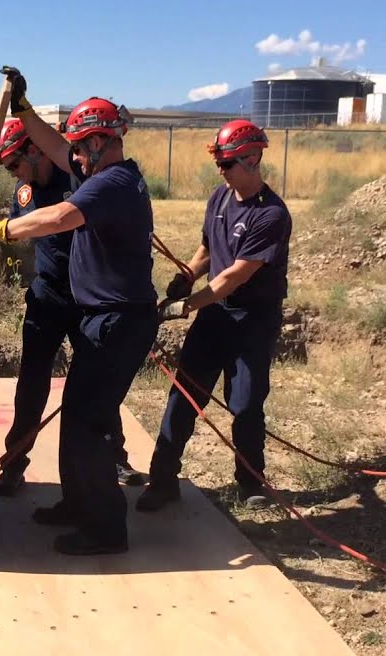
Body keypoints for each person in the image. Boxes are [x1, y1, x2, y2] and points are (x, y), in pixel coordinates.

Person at [0, 70, 157, 555]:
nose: (71, 157)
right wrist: (24, 110)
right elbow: (53, 146)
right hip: (106, 319)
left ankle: (105, 530)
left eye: (80, 148)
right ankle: (79, 506)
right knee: (79, 418)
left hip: (117, 322)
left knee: (88, 426)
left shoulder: (111, 183)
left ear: (100, 142)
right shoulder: (104, 172)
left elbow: (57, 217)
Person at [134, 119, 292, 513]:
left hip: (252, 321)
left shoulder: (271, 215)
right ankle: (163, 479)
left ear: (253, 159)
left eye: (228, 163)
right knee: (183, 396)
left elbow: (234, 276)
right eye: (219, 163)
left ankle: (251, 482)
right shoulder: (219, 199)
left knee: (246, 403)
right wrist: (185, 276)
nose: (221, 170)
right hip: (216, 316)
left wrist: (185, 307)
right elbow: (207, 252)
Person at [0, 117, 146, 498]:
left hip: (85, 299)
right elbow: (25, 229)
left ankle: (114, 458)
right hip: (47, 296)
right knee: (31, 385)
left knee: (93, 389)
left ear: (34, 150)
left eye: (14, 164)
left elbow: (59, 218)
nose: (14, 174)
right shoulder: (25, 191)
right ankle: (14, 463)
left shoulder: (75, 180)